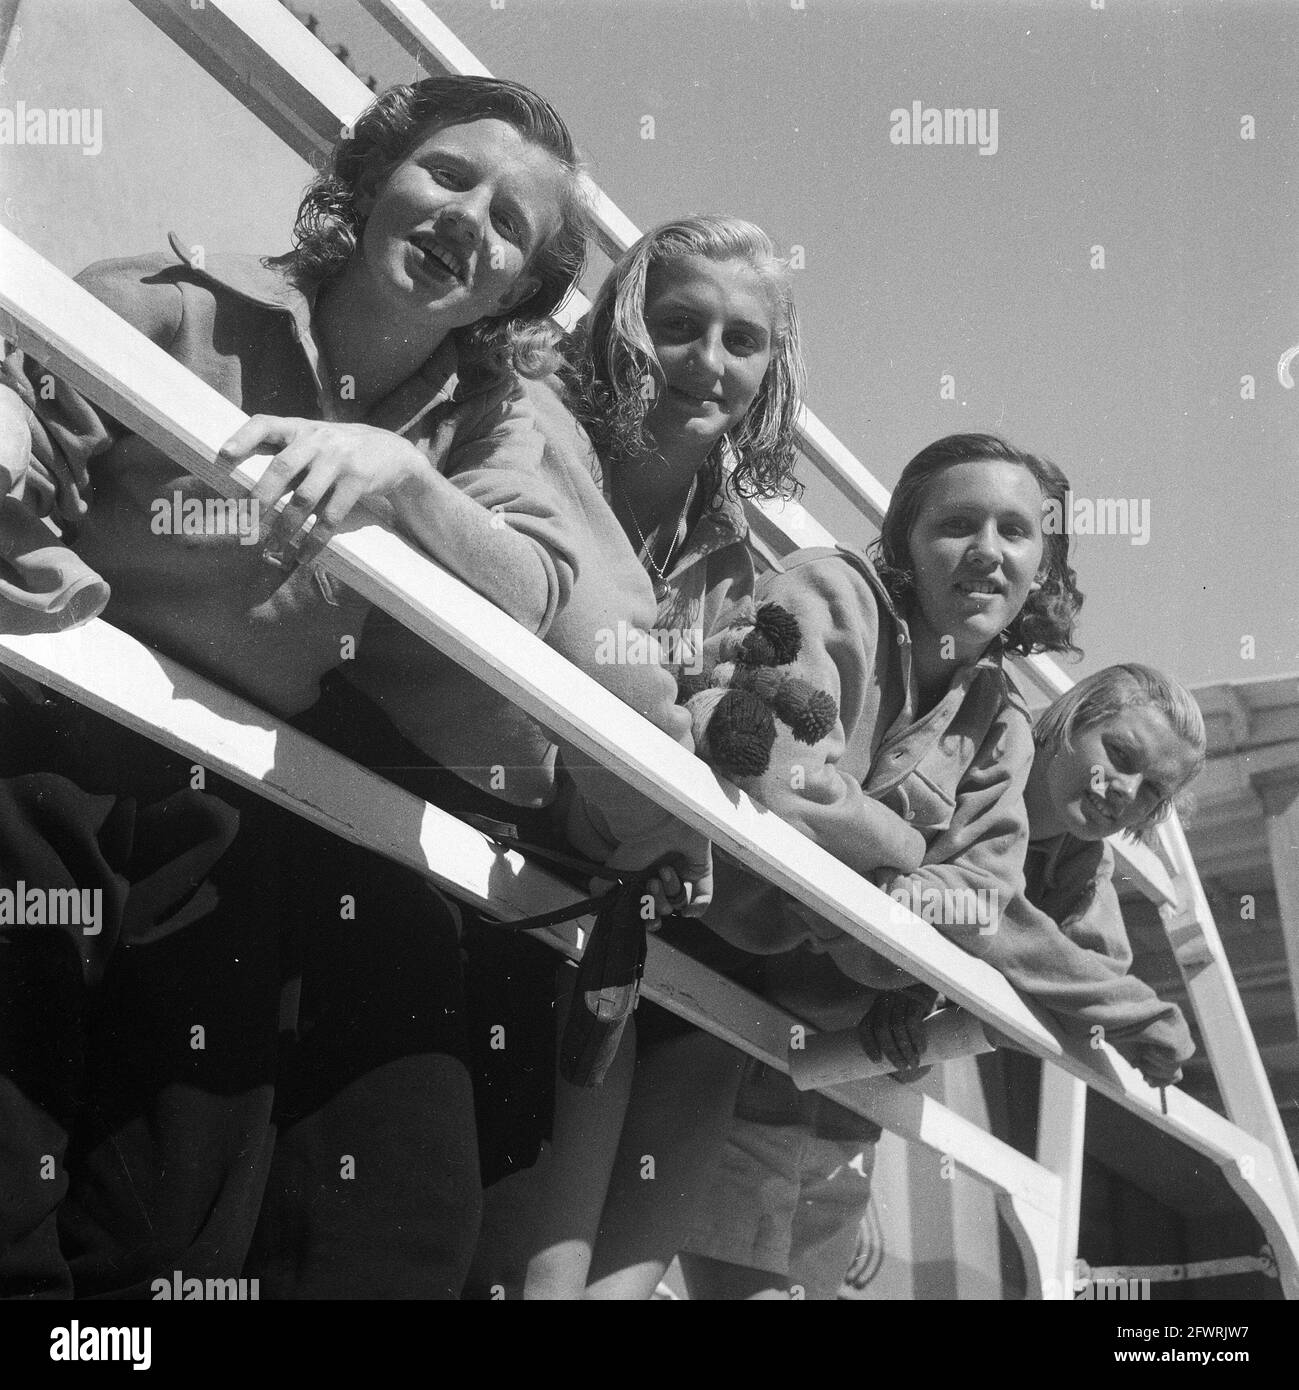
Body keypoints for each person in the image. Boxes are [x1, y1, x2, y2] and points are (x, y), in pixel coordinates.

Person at [0, 73, 596, 1299]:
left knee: (167, 1242)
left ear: (516, 290)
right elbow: (27, 402)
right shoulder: (182, 304)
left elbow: (539, 591)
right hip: (43, 756)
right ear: (373, 179)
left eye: (511, 226)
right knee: (11, 1176)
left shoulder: (480, 430)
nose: (465, 220)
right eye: (446, 174)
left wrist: (403, 480)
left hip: (222, 819)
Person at [468, 214, 807, 1298]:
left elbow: (728, 731)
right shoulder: (534, 421)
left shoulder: (736, 553)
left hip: (608, 879)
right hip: (486, 822)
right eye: (679, 324)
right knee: (536, 1270)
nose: (708, 361)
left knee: (710, 1025)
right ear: (624, 321)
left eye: (742, 340)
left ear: (771, 368)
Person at [680, 662, 1203, 1299]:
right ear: (1069, 722)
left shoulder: (1079, 865)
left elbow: (1076, 972)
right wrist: (1136, 1014)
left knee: (808, 1276)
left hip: (847, 1086)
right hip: (762, 1016)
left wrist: (922, 1007)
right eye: (1119, 754)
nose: (1123, 787)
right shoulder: (977, 760)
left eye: (1152, 790)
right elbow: (994, 919)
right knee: (743, 1267)